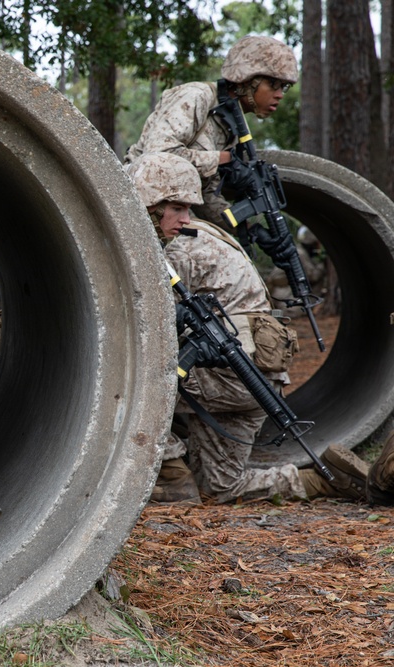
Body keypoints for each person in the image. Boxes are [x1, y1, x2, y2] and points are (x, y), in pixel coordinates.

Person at [126, 152, 369, 505]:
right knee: (221, 487)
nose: (185, 218)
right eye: (177, 208)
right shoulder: (200, 235)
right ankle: (319, 482)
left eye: (187, 209)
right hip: (254, 378)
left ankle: (169, 471)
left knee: (124, 381)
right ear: (150, 205)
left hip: (229, 376)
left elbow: (143, 328)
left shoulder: (177, 251)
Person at [125, 35, 298, 225]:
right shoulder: (196, 97)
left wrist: (245, 229)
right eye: (273, 85)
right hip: (136, 202)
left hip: (170, 214)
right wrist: (223, 159)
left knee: (221, 242)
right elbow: (157, 156)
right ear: (247, 80)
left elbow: (206, 194)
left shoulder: (231, 125)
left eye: (284, 87)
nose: (280, 95)